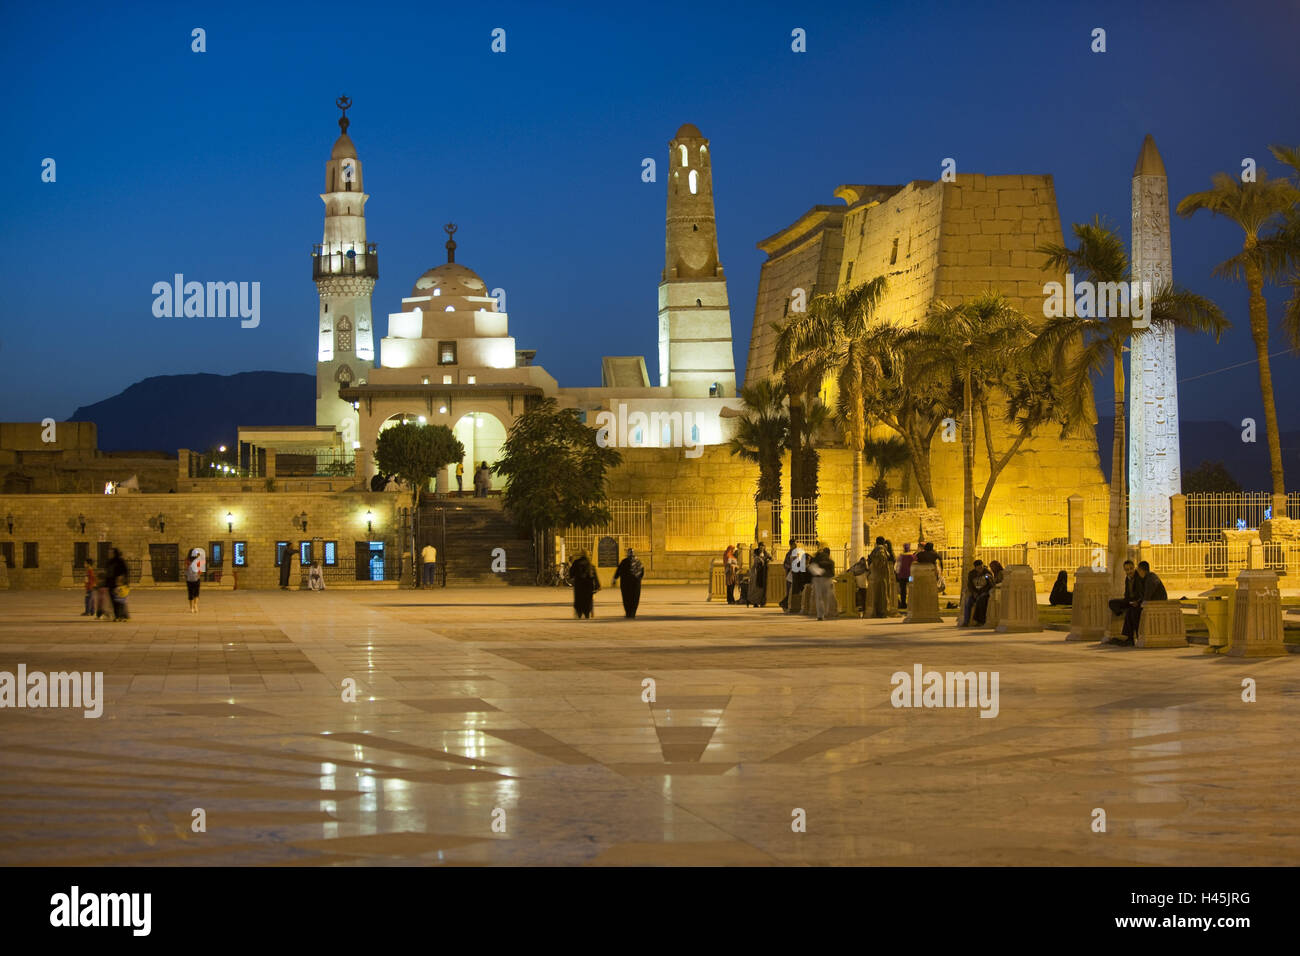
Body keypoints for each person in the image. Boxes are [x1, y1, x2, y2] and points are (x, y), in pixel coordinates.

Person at [1115, 560, 1166, 645]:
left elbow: (1147, 596)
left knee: (1134, 611)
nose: (1137, 573)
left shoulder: (1150, 578)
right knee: (1130, 610)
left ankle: (1137, 636)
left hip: (1157, 605)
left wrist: (1138, 603)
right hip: (1150, 604)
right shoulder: (1146, 578)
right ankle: (1129, 638)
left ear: (1142, 570)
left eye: (1137, 570)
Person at [865, 537, 894, 618]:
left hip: (877, 576)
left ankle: (878, 612)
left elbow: (877, 561)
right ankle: (881, 612)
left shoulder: (878, 549)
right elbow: (880, 561)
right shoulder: (881, 550)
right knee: (881, 594)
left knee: (878, 594)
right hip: (880, 576)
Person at [612, 547, 644, 618]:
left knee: (626, 598)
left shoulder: (624, 561)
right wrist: (638, 579)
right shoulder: (638, 562)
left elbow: (619, 571)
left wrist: (614, 579)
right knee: (635, 598)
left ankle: (628, 613)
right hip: (636, 584)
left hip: (625, 584)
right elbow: (642, 573)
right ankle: (633, 612)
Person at [960, 560, 994, 626]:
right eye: (978, 568)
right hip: (975, 593)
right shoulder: (971, 574)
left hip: (985, 593)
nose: (980, 570)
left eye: (981, 567)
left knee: (981, 601)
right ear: (975, 568)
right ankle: (966, 622)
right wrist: (974, 593)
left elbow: (991, 585)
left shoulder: (987, 573)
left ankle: (980, 621)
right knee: (968, 602)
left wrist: (984, 592)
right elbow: (970, 585)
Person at [811, 546, 836, 620]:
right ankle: (826, 612)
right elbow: (832, 573)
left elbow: (812, 567)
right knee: (826, 597)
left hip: (818, 579)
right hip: (827, 579)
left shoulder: (817, 560)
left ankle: (820, 615)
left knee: (819, 597)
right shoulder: (831, 562)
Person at [570, 550, 597, 619]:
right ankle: (587, 614)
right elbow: (594, 575)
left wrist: (572, 578)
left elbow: (571, 572)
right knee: (587, 600)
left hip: (579, 585)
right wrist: (597, 585)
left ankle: (579, 613)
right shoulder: (590, 564)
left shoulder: (576, 563)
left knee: (579, 599)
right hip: (588, 586)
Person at [781, 539, 806, 613]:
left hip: (797, 573)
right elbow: (785, 564)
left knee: (794, 590)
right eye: (794, 545)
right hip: (791, 574)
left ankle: (789, 605)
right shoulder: (788, 554)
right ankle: (784, 604)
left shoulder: (798, 552)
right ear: (791, 545)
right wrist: (790, 567)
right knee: (790, 591)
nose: (796, 546)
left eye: (796, 544)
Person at [105, 548, 130, 621]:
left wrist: (124, 581)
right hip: (111, 584)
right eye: (109, 553)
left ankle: (123, 616)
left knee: (120, 601)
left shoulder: (120, 561)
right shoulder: (109, 562)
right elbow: (108, 573)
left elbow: (125, 572)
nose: (110, 554)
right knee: (114, 601)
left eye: (111, 553)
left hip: (120, 584)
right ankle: (117, 616)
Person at [895, 543, 915, 610]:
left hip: (902, 575)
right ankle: (911, 602)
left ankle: (903, 603)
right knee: (911, 588)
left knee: (903, 590)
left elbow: (898, 565)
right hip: (910, 575)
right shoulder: (912, 556)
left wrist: (897, 573)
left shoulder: (901, 556)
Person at [185, 549, 204, 614]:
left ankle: (191, 608)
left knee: (190, 593)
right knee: (196, 593)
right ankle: (195, 605)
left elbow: (185, 569)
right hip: (196, 579)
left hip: (189, 580)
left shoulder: (187, 561)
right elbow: (200, 570)